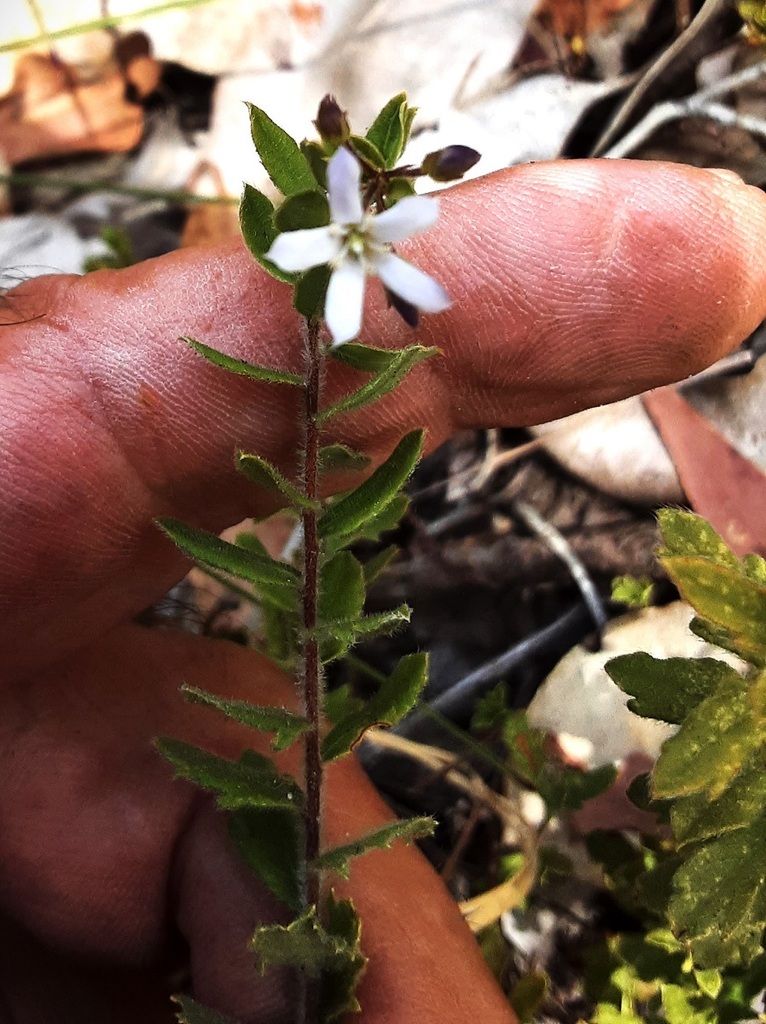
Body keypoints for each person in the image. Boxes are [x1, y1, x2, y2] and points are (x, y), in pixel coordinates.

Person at [0, 159, 764, 1024]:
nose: (360, 238)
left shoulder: (368, 245)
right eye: (351, 231)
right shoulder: (326, 246)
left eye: (366, 233)